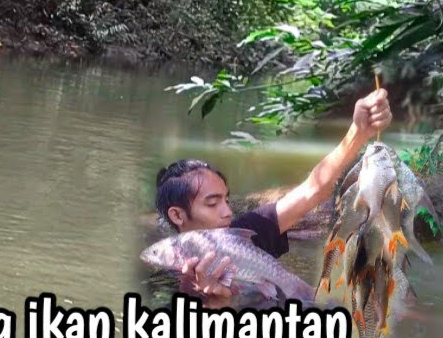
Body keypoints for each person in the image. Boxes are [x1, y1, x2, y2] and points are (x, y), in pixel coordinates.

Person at [153, 87, 392, 305]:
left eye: (226, 200)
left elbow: (313, 189)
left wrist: (358, 132)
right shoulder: (164, 279)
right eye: (212, 203)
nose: (227, 212)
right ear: (177, 215)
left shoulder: (247, 233)